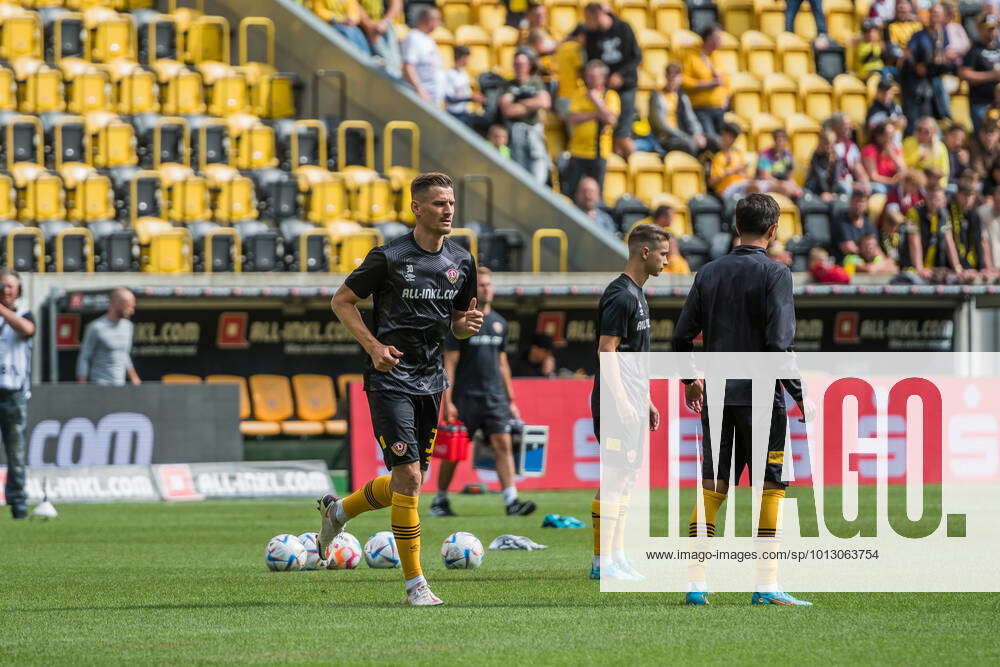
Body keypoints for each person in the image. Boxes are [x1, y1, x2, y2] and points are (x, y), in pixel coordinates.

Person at [320, 172, 480, 607]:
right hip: (389, 377)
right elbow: (341, 301)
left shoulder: (462, 262)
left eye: (450, 203)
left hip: (431, 380)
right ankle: (416, 586)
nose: (447, 210)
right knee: (409, 477)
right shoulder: (389, 257)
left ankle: (338, 511)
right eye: (438, 203)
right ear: (416, 208)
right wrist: (373, 347)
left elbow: (458, 325)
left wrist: (463, 328)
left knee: (408, 481)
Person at [673, 193, 811, 607]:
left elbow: (681, 337)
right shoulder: (777, 274)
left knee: (713, 487)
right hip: (761, 398)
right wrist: (803, 396)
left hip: (716, 394)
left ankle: (696, 583)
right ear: (774, 230)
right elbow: (778, 344)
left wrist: (689, 382)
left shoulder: (708, 273)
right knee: (771, 486)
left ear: (736, 227)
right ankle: (766, 585)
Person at [589, 223, 668, 581]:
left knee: (627, 478)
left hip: (634, 401)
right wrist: (620, 401)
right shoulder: (620, 295)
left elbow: (634, 356)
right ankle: (601, 561)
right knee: (615, 477)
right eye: (664, 254)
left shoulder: (638, 294)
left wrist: (646, 399)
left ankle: (617, 554)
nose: (668, 260)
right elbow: (607, 351)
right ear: (645, 253)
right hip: (617, 402)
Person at [432, 267, 536, 518]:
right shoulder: (462, 323)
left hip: (494, 397)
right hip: (465, 398)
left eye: (489, 284)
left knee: (503, 444)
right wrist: (447, 401)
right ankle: (440, 500)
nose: (486, 288)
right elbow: (450, 363)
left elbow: (502, 363)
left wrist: (511, 399)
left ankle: (512, 500)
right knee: (455, 453)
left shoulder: (500, 323)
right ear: (472, 292)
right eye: (481, 285)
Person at [582, 3, 640, 158]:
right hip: (605, 88)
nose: (586, 22)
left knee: (622, 131)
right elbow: (592, 61)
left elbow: (636, 57)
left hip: (626, 85)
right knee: (608, 130)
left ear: (598, 14)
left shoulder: (623, 28)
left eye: (588, 18)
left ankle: (634, 163)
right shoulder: (592, 35)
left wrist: (620, 75)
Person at [0, 269, 34, 520]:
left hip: (13, 392)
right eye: (2, 286)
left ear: (18, 290)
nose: (6, 290)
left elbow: (26, 329)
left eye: (10, 286)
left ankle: (18, 503)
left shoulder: (24, 313)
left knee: (16, 452)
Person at [563, 59, 619, 197]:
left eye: (594, 76)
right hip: (577, 151)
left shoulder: (610, 96)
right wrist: (596, 114)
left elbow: (611, 120)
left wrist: (597, 102)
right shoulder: (579, 93)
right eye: (588, 76)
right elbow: (572, 117)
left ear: (603, 78)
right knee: (572, 191)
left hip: (598, 153)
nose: (589, 80)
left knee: (595, 194)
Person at [900, 3, 957, 129]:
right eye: (932, 13)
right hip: (917, 80)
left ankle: (945, 119)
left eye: (937, 13)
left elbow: (945, 54)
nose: (934, 16)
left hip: (934, 76)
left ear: (943, 16)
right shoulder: (919, 35)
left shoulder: (943, 33)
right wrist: (916, 66)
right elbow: (908, 54)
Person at [500, 51, 551, 185]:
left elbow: (545, 102)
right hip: (516, 133)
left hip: (534, 131)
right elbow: (507, 110)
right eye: (516, 64)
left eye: (522, 64)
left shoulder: (536, 82)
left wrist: (520, 103)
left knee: (538, 172)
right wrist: (532, 103)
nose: (519, 67)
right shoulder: (509, 85)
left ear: (529, 66)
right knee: (520, 174)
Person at [76, 287, 139, 386]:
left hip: (120, 385)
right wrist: (82, 385)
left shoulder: (128, 327)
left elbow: (124, 355)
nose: (132, 311)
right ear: (117, 304)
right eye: (129, 307)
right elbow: (84, 357)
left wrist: (134, 378)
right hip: (99, 385)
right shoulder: (96, 327)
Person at [683, 23, 729, 151]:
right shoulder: (692, 57)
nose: (720, 41)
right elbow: (684, 81)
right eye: (717, 38)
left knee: (722, 140)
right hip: (701, 108)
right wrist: (706, 84)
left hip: (719, 108)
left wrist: (726, 95)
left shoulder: (717, 56)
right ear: (708, 39)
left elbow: (725, 80)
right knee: (712, 140)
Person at [904, 180, 964, 276]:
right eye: (931, 198)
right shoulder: (913, 213)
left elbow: (949, 242)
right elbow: (914, 242)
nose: (934, 202)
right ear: (925, 198)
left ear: (944, 200)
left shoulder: (945, 215)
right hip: (912, 268)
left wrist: (957, 267)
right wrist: (920, 268)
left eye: (938, 199)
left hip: (936, 268)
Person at [649, 63, 707, 156]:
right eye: (670, 77)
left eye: (675, 78)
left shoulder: (682, 97)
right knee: (689, 144)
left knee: (709, 142)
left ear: (680, 79)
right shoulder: (657, 97)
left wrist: (697, 133)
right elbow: (662, 125)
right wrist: (685, 137)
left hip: (684, 134)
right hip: (666, 138)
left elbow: (691, 118)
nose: (672, 81)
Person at [959, 14, 1000, 133]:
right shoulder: (974, 50)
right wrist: (991, 75)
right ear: (980, 29)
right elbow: (964, 73)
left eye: (994, 28)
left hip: (997, 103)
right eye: (988, 28)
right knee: (984, 135)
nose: (991, 32)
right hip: (981, 103)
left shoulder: (998, 47)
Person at [402, 6, 444, 105]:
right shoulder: (414, 37)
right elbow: (408, 67)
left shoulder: (428, 39)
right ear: (429, 20)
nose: (439, 23)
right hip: (421, 99)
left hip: (432, 99)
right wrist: (420, 91)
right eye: (437, 19)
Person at [708, 122, 753, 203]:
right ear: (723, 134)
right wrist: (729, 172)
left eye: (734, 137)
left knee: (761, 186)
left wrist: (742, 172)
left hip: (741, 186)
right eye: (730, 136)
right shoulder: (716, 155)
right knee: (754, 187)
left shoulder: (738, 154)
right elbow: (711, 182)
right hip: (726, 189)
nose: (733, 140)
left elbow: (745, 175)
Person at [832, 186, 880, 263]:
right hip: (848, 262)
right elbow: (848, 248)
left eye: (862, 201)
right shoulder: (841, 219)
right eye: (857, 201)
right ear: (851, 201)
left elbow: (876, 247)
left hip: (868, 261)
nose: (859, 204)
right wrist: (868, 251)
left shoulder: (869, 222)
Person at [443, 46, 486, 129]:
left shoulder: (464, 74)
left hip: (465, 113)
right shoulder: (449, 74)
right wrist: (470, 98)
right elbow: (449, 99)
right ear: (462, 58)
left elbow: (466, 94)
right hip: (453, 114)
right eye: (467, 58)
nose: (468, 61)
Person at [360, 0, 403, 77]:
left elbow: (396, 3)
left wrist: (385, 22)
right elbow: (355, 6)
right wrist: (370, 26)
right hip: (366, 29)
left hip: (384, 26)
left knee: (394, 62)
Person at [829, 112, 870, 190]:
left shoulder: (851, 147)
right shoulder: (828, 147)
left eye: (850, 124)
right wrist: (852, 185)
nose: (850, 127)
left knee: (877, 188)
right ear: (835, 127)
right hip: (836, 185)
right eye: (846, 125)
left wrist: (865, 184)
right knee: (846, 189)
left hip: (851, 183)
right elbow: (830, 176)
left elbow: (859, 170)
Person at [903, 116, 950, 185]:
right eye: (919, 129)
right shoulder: (908, 142)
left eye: (926, 131)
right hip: (912, 182)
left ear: (933, 131)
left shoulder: (940, 147)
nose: (922, 133)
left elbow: (944, 171)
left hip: (933, 185)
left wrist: (941, 187)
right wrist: (917, 159)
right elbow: (903, 165)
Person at [756, 129, 802, 199]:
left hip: (781, 183)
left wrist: (794, 186)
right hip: (765, 183)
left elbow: (789, 176)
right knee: (784, 189)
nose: (781, 143)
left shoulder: (787, 155)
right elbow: (765, 176)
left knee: (798, 191)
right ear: (774, 140)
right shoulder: (765, 154)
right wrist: (782, 184)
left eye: (784, 140)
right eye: (779, 140)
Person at [862, 121, 906, 194]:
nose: (890, 139)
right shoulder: (870, 150)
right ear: (878, 136)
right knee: (881, 189)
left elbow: (903, 170)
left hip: (893, 184)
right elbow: (873, 177)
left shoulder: (895, 150)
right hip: (879, 184)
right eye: (888, 135)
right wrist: (891, 181)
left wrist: (892, 155)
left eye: (892, 136)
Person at [553, 25, 585, 121]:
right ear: (581, 36)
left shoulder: (561, 47)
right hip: (572, 97)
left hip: (561, 96)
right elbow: (581, 71)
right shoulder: (574, 47)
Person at [804, 129, 842, 200]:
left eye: (833, 144)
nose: (830, 146)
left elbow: (836, 175)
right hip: (816, 184)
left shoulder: (835, 156)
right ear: (821, 143)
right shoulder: (816, 155)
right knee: (811, 185)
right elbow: (819, 175)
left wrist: (832, 191)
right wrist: (826, 192)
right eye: (827, 143)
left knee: (844, 189)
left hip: (830, 186)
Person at [970, 119, 1000, 189]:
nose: (989, 138)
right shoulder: (975, 147)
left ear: (998, 134)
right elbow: (977, 169)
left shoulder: (998, 148)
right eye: (985, 133)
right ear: (980, 134)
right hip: (982, 180)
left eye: (992, 134)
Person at [977, 183, 1000, 269]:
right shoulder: (982, 213)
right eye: (997, 201)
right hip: (990, 266)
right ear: (993, 199)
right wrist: (989, 268)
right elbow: (984, 242)